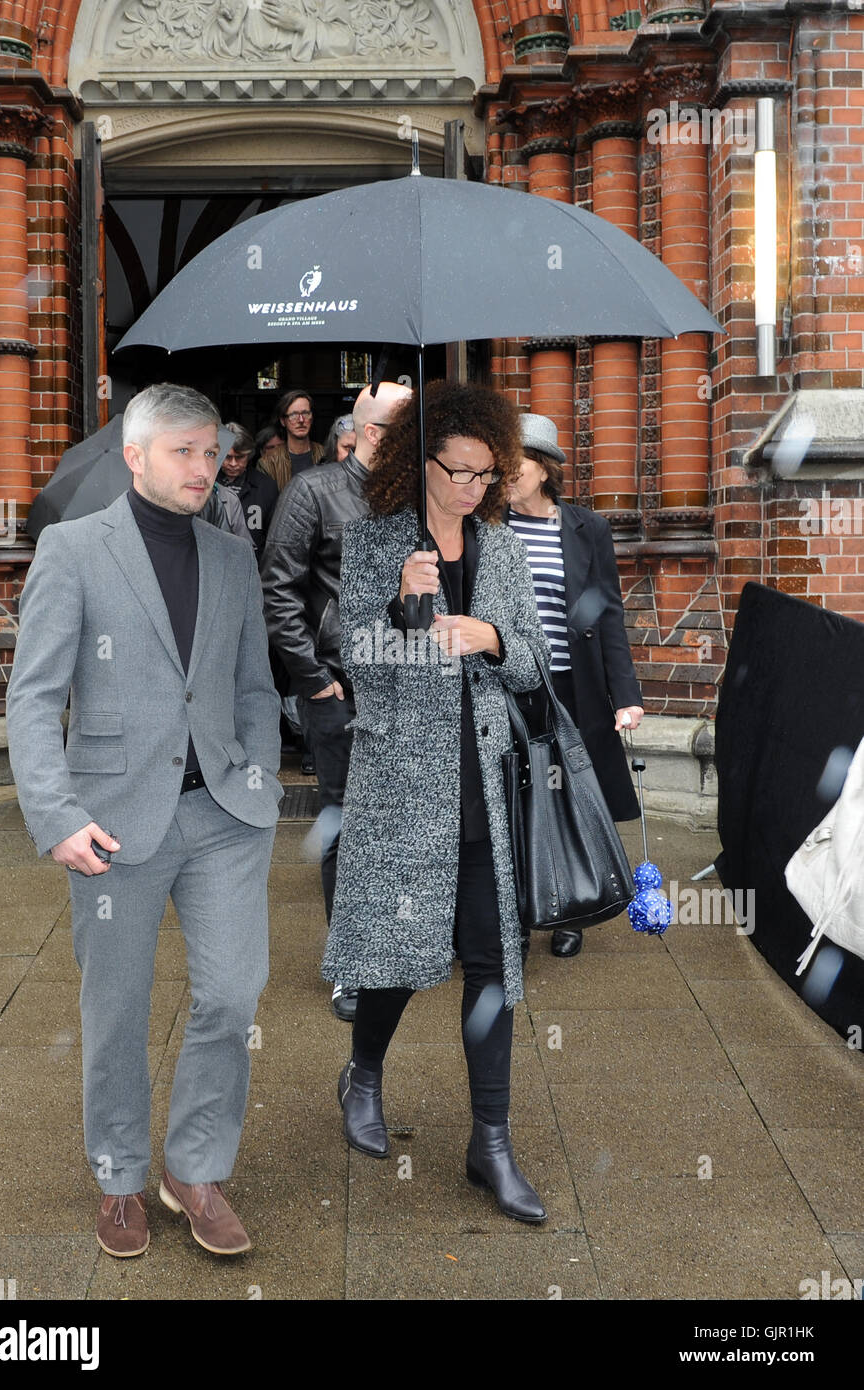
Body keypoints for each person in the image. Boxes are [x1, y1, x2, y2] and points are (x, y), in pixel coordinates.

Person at [5, 383, 283, 1259]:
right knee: (116, 1008)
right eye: (185, 452)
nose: (205, 468)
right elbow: (34, 695)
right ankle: (121, 1178)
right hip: (112, 824)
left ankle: (193, 1169)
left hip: (225, 816)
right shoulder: (73, 549)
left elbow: (251, 687)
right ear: (136, 456)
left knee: (233, 993)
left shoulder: (232, 555)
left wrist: (263, 778)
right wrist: (56, 816)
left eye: (213, 452)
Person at [322, 380, 551, 1224]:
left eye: (487, 475)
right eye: (457, 471)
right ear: (419, 461)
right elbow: (358, 663)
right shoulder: (377, 542)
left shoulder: (504, 550)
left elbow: (534, 667)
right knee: (396, 955)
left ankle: (489, 1142)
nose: (471, 489)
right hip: (402, 784)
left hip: (485, 787)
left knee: (493, 964)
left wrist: (490, 637)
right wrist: (399, 604)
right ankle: (364, 1073)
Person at [260, 380, 413, 1021]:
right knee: (345, 818)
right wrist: (312, 677)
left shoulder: (417, 496)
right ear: (374, 433)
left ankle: (401, 942)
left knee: (405, 818)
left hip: (410, 682)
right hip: (338, 686)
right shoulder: (312, 491)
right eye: (411, 432)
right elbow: (278, 589)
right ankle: (350, 962)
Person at [506, 413, 644, 959]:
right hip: (507, 684)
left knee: (569, 796)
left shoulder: (588, 528)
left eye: (512, 466)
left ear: (543, 470)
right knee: (512, 796)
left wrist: (627, 695)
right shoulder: (486, 526)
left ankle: (571, 909)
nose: (503, 478)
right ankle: (514, 911)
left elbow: (608, 614)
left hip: (571, 687)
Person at [215, 420, 280, 560]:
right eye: (227, 457)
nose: (233, 464)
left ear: (249, 455)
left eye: (240, 457)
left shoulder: (266, 487)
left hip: (255, 565)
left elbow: (274, 540)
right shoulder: (207, 486)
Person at [258, 389, 323, 490]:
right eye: (293, 415)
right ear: (283, 421)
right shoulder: (269, 463)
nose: (301, 420)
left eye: (305, 413)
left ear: (312, 418)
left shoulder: (326, 455)